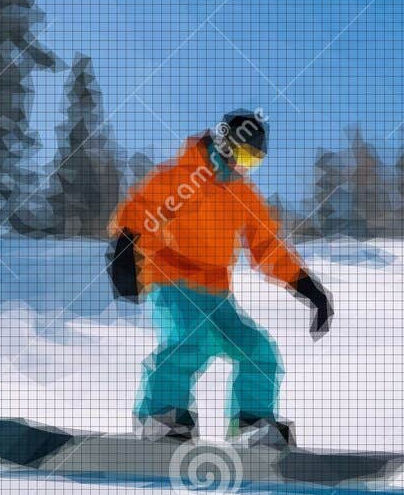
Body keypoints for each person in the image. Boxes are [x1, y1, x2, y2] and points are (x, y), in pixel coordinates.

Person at [106, 110, 332, 450]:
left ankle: (251, 423)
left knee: (257, 349)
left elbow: (268, 247)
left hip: (216, 293)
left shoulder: (243, 195)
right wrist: (124, 256)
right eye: (242, 156)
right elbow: (138, 213)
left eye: (253, 161)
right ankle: (162, 418)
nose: (244, 166)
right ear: (224, 143)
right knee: (188, 339)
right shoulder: (181, 177)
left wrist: (309, 289)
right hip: (170, 281)